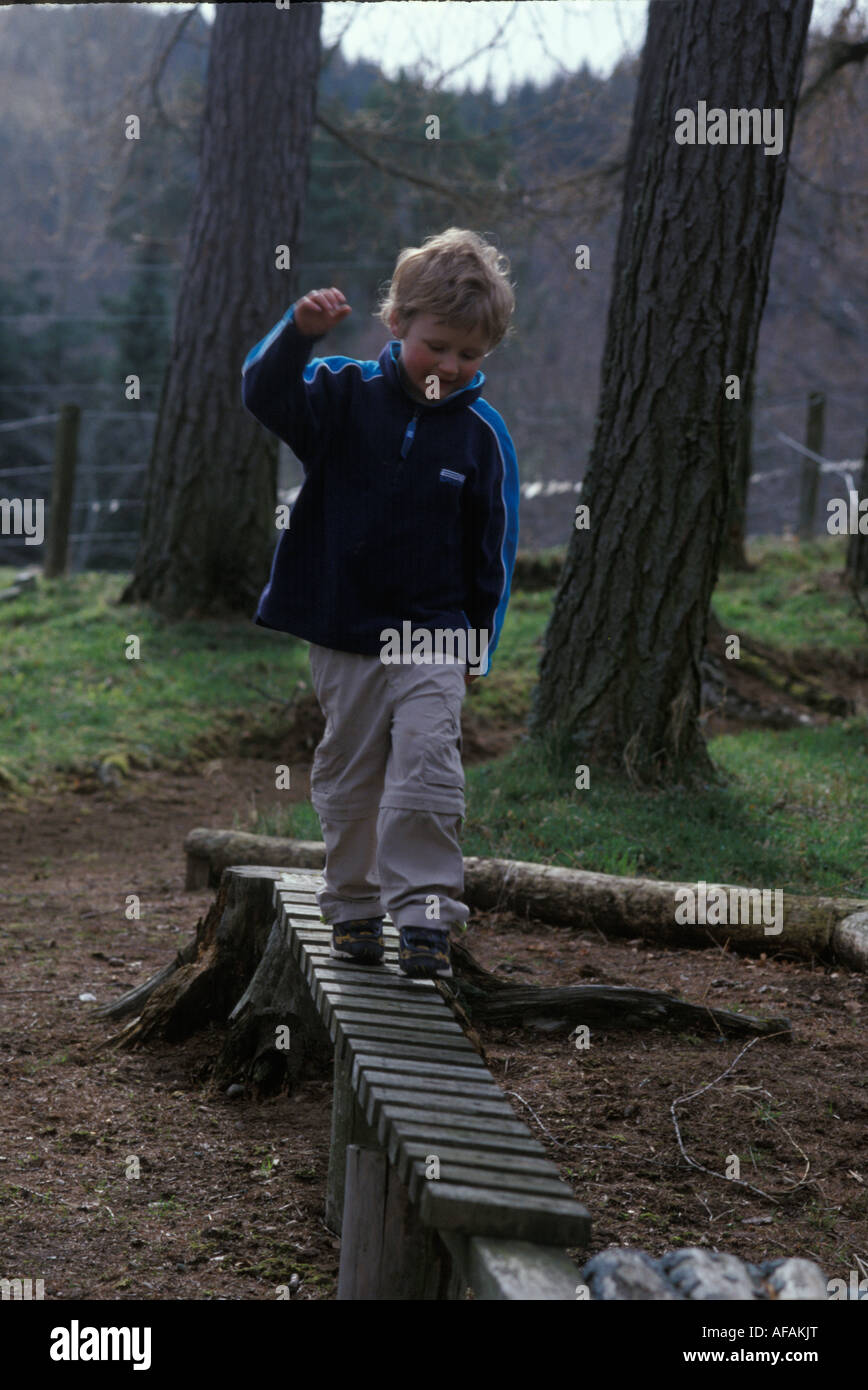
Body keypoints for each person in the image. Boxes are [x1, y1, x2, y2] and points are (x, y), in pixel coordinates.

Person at [241, 227, 519, 979]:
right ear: (396, 325)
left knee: (429, 766)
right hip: (344, 629)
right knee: (351, 773)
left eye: (470, 356)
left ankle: (426, 913)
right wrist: (297, 335)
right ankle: (355, 906)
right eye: (438, 346)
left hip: (431, 635)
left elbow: (489, 553)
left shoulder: (481, 437)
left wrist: (475, 648)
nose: (452, 367)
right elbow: (263, 394)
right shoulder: (337, 394)